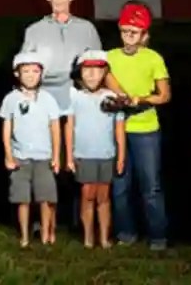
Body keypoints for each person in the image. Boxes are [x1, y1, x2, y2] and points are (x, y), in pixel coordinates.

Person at [18, 0, 117, 232]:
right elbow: (25, 68)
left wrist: (116, 96)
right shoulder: (34, 31)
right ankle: (45, 218)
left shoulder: (86, 29)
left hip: (78, 102)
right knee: (47, 161)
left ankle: (78, 218)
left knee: (77, 159)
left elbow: (100, 66)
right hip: (45, 102)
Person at [106, 1, 171, 250]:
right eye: (124, 31)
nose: (128, 36)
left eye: (134, 32)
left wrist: (141, 100)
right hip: (117, 129)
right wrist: (122, 97)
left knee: (151, 186)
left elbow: (164, 95)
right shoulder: (110, 57)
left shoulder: (153, 58)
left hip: (146, 130)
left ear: (144, 34)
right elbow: (101, 76)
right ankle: (125, 233)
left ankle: (157, 237)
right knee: (120, 184)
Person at [0, 50, 62, 247]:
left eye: (35, 71)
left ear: (41, 74)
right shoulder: (11, 99)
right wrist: (8, 154)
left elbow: (55, 127)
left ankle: (45, 234)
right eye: (26, 71)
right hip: (21, 157)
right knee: (22, 199)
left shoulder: (48, 99)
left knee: (46, 198)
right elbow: (7, 127)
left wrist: (57, 156)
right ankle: (24, 236)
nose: (31, 76)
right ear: (17, 74)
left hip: (43, 156)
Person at [66, 49, 127, 248]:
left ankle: (104, 237)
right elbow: (69, 126)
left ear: (104, 74)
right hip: (84, 154)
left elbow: (119, 129)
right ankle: (88, 238)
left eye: (97, 70)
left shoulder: (112, 97)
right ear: (80, 72)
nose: (92, 74)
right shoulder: (75, 97)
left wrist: (121, 156)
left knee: (104, 196)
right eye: (87, 70)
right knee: (87, 194)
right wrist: (68, 155)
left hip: (106, 154)